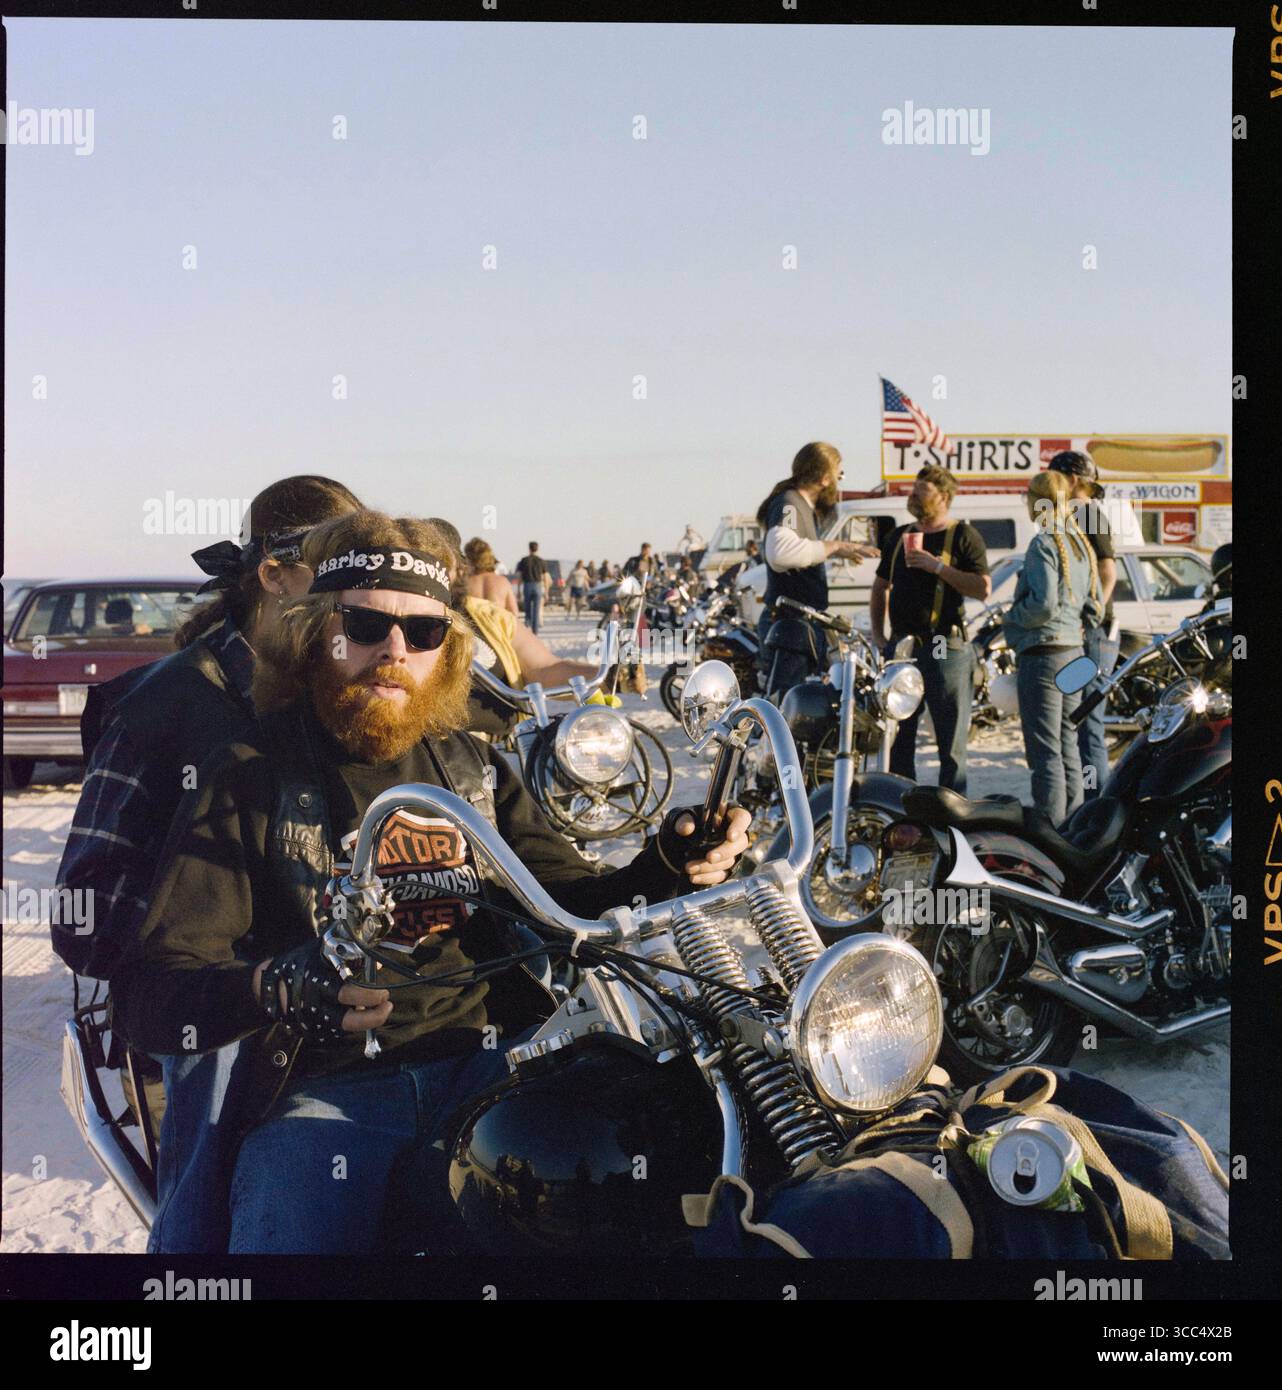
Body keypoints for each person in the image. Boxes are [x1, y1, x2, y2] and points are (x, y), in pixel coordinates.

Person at [112, 509, 752, 1254]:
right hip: (323, 1093)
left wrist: (667, 865)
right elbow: (151, 995)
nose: (394, 649)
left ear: (446, 650)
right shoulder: (248, 774)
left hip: (487, 1069)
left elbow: (568, 903)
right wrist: (277, 989)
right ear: (322, 632)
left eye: (422, 633)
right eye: (368, 624)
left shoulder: (469, 766)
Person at [870, 465, 991, 794]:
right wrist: (880, 636)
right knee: (898, 738)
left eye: (922, 492)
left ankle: (951, 815)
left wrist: (937, 566)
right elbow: (880, 587)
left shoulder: (963, 536)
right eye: (914, 490)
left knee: (950, 743)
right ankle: (904, 810)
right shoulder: (898, 536)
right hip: (902, 649)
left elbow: (983, 588)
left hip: (946, 648)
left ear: (945, 497)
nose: (914, 496)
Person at [1003, 470, 1103, 824]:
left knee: (1045, 753)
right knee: (1068, 746)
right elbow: (1097, 608)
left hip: (1044, 656)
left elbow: (1043, 604)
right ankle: (1071, 828)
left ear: (1036, 500)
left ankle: (1050, 835)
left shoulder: (1043, 543)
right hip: (1074, 654)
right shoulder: (1080, 545)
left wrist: (1012, 618)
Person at [757, 442, 877, 699]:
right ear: (825, 479)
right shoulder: (790, 503)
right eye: (839, 475)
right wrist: (833, 547)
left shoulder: (798, 505)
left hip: (798, 625)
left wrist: (834, 555)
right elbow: (780, 552)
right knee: (783, 710)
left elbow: (797, 555)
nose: (839, 482)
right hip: (790, 626)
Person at [1046, 451, 1118, 797]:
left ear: (1071, 479)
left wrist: (1090, 618)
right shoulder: (1066, 516)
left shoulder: (1088, 513)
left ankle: (1096, 806)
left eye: (1053, 476)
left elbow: (1108, 571)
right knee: (1074, 722)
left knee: (1087, 721)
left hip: (1092, 636)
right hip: (1079, 634)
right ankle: (1082, 802)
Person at [463, 537, 518, 616]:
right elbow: (514, 615)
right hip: (497, 628)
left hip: (471, 628)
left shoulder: (464, 583)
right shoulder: (503, 582)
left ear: (469, 559)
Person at [514, 541, 547, 634]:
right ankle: (535, 632)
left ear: (529, 549)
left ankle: (527, 625)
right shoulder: (541, 561)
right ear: (537, 549)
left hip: (527, 585)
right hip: (538, 585)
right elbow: (545, 577)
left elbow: (520, 576)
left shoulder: (524, 560)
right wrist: (546, 590)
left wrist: (518, 589)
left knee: (527, 608)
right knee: (536, 610)